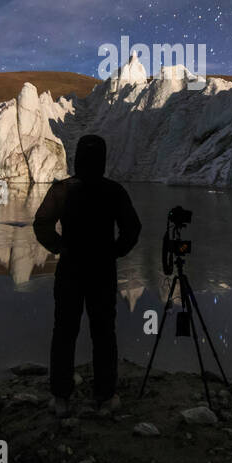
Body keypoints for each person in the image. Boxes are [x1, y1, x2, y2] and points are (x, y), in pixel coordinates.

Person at [32, 133, 140, 416]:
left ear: (78, 158)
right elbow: (133, 228)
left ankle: (61, 398)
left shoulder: (62, 190)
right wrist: (116, 250)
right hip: (102, 270)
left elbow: (42, 222)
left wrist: (59, 247)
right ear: (102, 160)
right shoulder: (114, 191)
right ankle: (105, 396)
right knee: (104, 332)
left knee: (64, 331)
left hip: (70, 269)